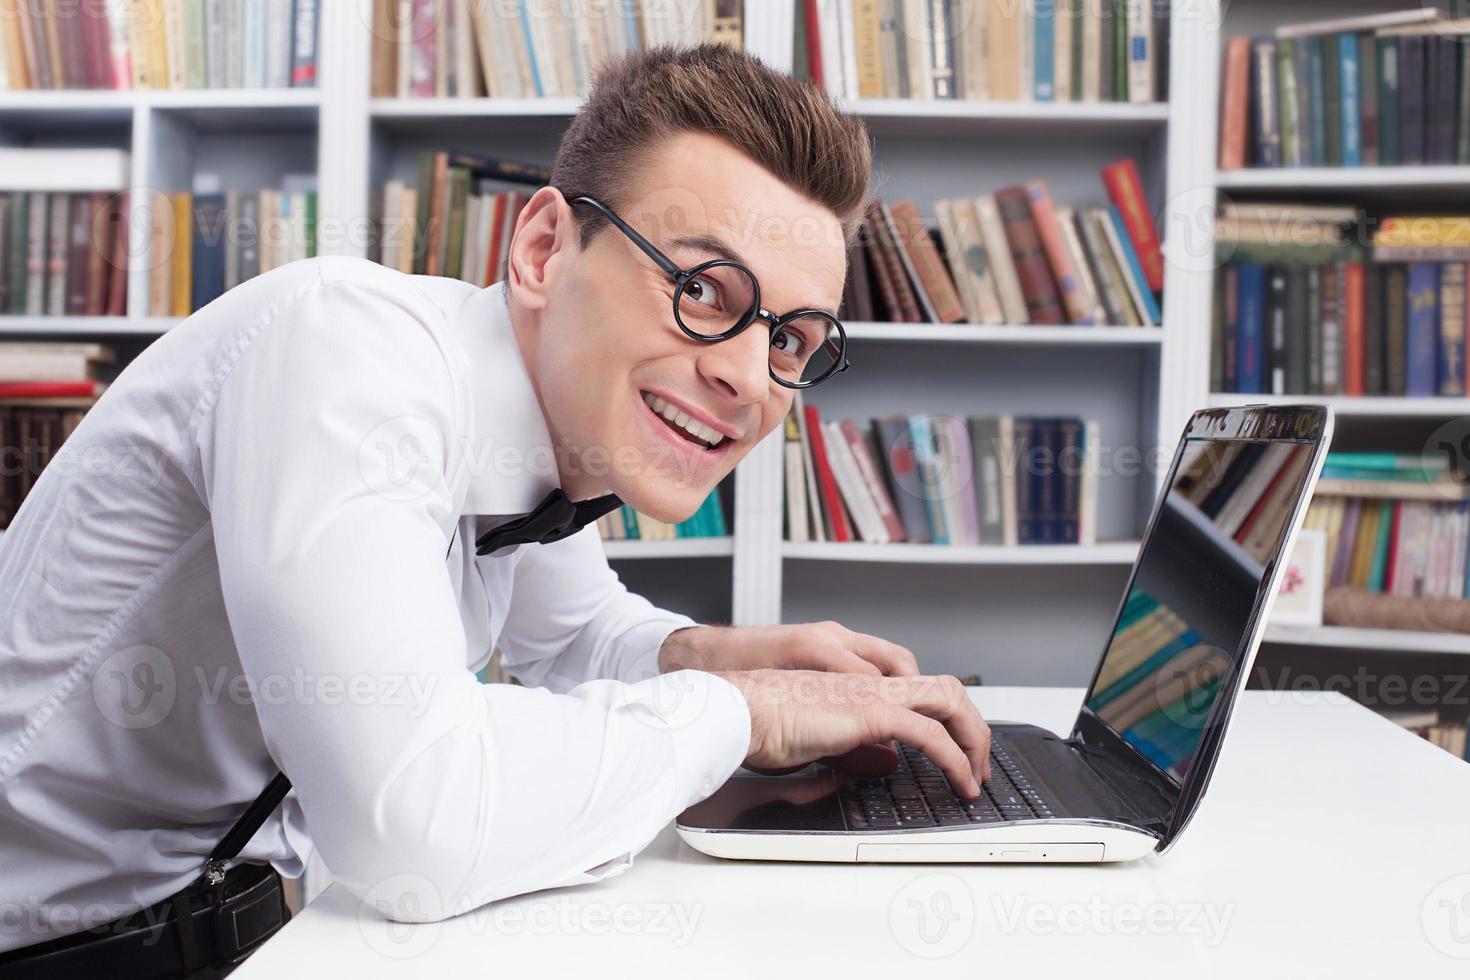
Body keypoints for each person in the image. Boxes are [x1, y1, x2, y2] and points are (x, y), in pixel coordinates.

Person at [0, 44, 991, 977]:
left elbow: (577, 633)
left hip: (234, 919)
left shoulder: (545, 422)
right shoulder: (348, 359)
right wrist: (744, 715)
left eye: (791, 340)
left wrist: (725, 658)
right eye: (700, 287)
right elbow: (410, 830)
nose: (745, 375)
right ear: (544, 245)